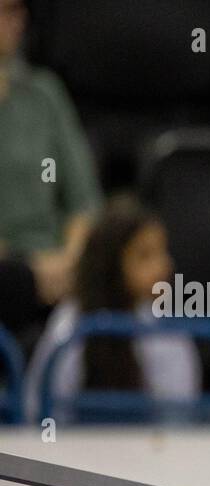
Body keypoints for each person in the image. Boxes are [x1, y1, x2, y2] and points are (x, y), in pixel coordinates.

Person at [24, 196, 201, 422]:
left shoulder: (164, 328)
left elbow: (179, 415)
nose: (164, 266)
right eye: (145, 256)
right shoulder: (71, 326)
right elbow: (40, 410)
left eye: (162, 252)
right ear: (110, 262)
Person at [0, 0, 102, 355]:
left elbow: (84, 201)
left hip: (53, 268)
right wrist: (24, 274)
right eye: (2, 11)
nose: (14, 21)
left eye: (17, 11)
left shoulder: (45, 93)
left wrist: (70, 261)